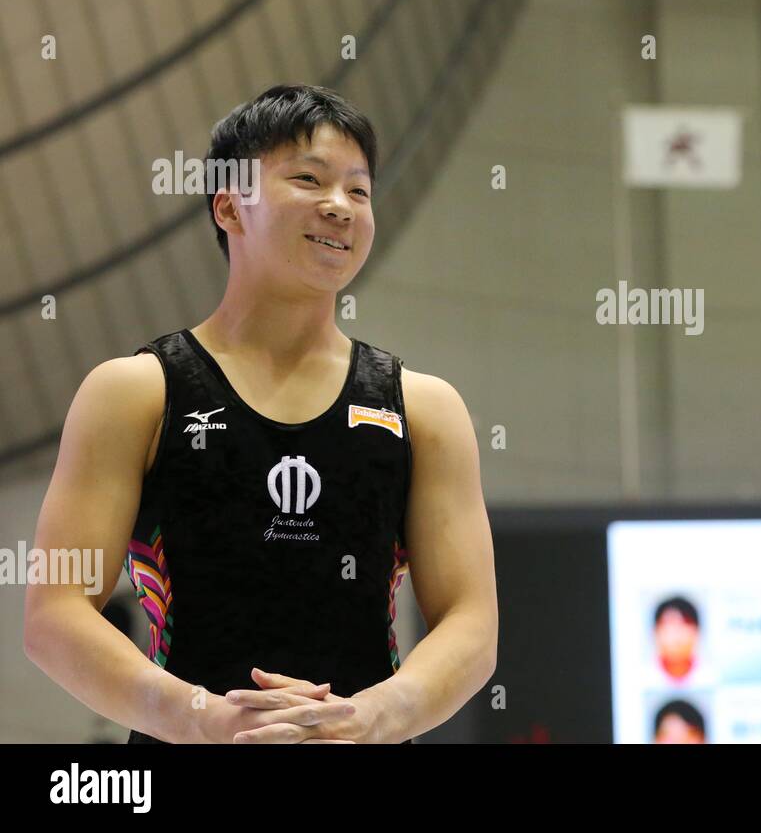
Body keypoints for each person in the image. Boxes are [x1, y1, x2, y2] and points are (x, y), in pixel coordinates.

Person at [24, 84, 497, 743]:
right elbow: (53, 614)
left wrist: (371, 717)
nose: (339, 207)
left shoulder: (423, 409)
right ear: (229, 206)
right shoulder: (135, 394)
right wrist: (207, 719)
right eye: (308, 180)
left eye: (359, 192)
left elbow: (472, 624)